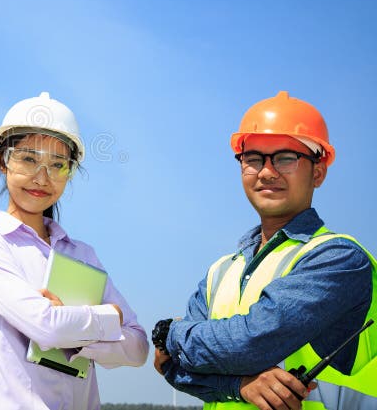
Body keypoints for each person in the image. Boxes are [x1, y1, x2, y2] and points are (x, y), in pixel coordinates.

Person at [152, 91, 377, 410]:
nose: (267, 171)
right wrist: (238, 386)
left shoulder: (339, 259)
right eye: (253, 159)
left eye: (285, 158)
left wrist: (170, 333)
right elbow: (172, 368)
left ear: (318, 172)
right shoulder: (221, 272)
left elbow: (251, 342)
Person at [0, 92, 148, 410]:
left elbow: (139, 348)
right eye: (28, 159)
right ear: (2, 162)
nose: (42, 177)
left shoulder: (83, 254)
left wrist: (72, 331)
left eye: (57, 165)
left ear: (70, 172)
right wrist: (107, 318)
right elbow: (45, 327)